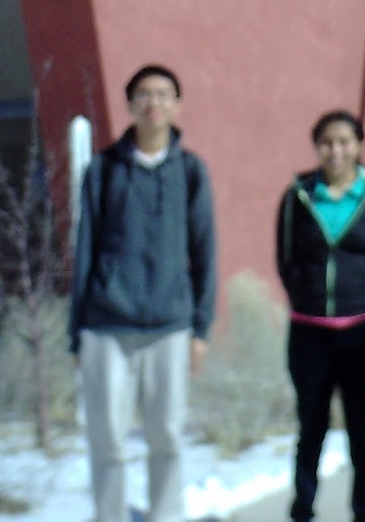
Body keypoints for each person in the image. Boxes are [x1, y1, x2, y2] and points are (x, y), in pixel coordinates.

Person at [70, 64, 217, 522]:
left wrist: (200, 329)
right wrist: (76, 333)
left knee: (166, 437)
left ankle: (166, 514)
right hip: (107, 326)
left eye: (163, 94)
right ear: (130, 104)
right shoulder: (104, 169)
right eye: (144, 94)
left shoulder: (190, 171)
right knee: (107, 440)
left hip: (170, 326)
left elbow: (205, 252)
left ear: (176, 105)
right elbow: (85, 249)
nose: (154, 103)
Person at [276, 109, 365, 522]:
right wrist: (304, 294)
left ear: (358, 145)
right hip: (310, 332)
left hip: (363, 330)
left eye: (344, 141)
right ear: (317, 147)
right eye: (327, 142)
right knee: (311, 425)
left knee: (361, 425)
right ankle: (303, 507)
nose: (336, 150)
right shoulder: (299, 194)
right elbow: (286, 256)